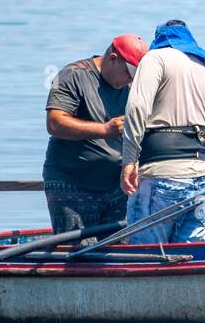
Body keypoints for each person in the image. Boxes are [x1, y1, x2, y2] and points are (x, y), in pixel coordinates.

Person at [120, 20, 205, 245]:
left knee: (146, 255)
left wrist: (129, 160)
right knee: (191, 257)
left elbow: (137, 107)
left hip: (162, 176)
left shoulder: (155, 58)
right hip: (202, 180)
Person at [43, 35, 149, 233]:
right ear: (113, 58)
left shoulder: (131, 86)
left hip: (116, 186)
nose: (131, 79)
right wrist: (105, 130)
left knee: (117, 252)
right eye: (129, 73)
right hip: (72, 184)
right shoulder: (71, 74)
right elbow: (55, 123)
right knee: (79, 252)